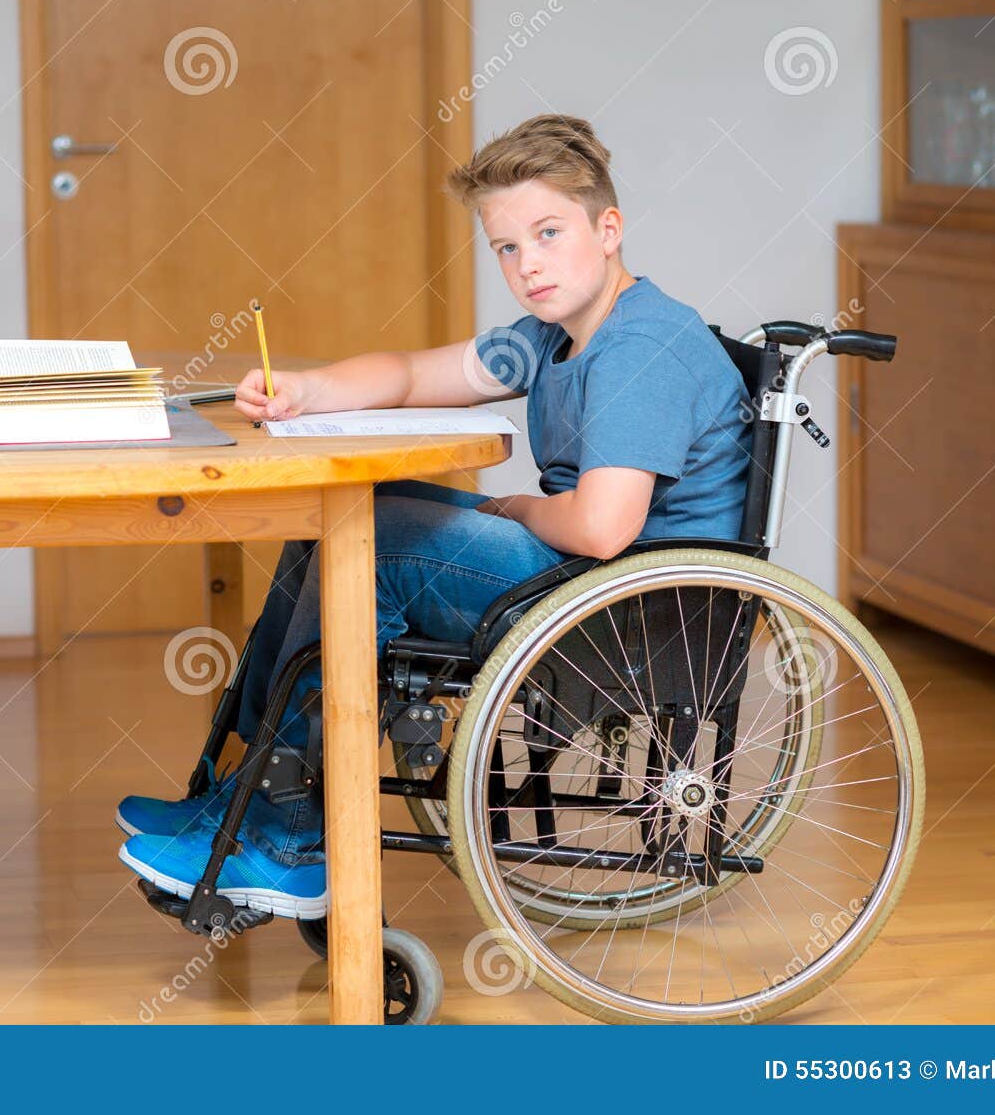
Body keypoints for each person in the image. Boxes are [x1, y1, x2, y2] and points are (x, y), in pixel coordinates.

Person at [116, 113, 752, 919]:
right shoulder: (553, 337)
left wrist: (519, 504)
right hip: (582, 578)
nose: (528, 266)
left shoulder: (640, 349)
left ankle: (289, 838)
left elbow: (601, 528)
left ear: (609, 228)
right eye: (508, 248)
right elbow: (415, 375)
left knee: (369, 544)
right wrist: (309, 393)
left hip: (629, 609)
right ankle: (242, 793)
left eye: (549, 234)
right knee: (341, 515)